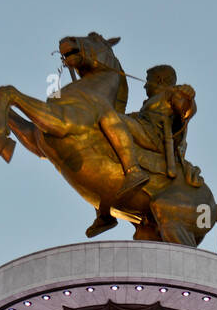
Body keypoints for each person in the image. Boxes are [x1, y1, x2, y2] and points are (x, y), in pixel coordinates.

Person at [86, 64, 202, 238]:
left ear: (160, 81)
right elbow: (139, 119)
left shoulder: (171, 94)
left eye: (148, 81)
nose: (144, 85)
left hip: (154, 137)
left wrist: (188, 97)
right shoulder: (150, 103)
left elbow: (186, 112)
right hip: (143, 131)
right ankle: (104, 212)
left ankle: (133, 172)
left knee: (108, 117)